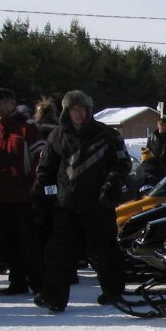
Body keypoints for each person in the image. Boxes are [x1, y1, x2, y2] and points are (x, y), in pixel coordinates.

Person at [33, 90, 131, 313]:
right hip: (66, 205)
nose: (78, 113)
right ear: (67, 112)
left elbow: (122, 163)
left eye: (82, 109)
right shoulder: (57, 136)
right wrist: (42, 196)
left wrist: (111, 185)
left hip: (99, 204)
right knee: (58, 252)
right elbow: (46, 170)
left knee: (104, 250)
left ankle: (114, 291)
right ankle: (54, 297)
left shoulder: (106, 135)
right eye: (73, 109)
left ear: (89, 110)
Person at [0, 87, 45, 295]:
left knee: (30, 243)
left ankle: (38, 283)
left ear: (11, 103)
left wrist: (34, 186)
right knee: (9, 242)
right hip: (1, 197)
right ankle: (17, 282)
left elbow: (41, 161)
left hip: (24, 197)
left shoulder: (27, 129)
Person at [145, 117, 166, 182]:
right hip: (155, 166)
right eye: (160, 124)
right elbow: (147, 150)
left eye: (164, 125)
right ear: (158, 125)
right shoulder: (152, 136)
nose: (162, 127)